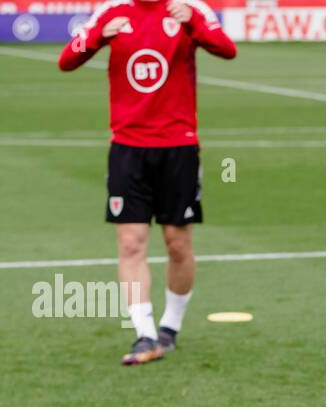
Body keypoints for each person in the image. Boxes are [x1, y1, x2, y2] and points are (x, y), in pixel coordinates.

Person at [58, 0, 236, 366]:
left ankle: (170, 326)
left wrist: (195, 27)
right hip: (128, 149)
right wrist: (94, 38)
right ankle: (145, 334)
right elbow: (66, 60)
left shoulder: (190, 9)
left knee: (177, 244)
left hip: (179, 148)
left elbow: (227, 50)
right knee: (130, 242)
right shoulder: (112, 11)